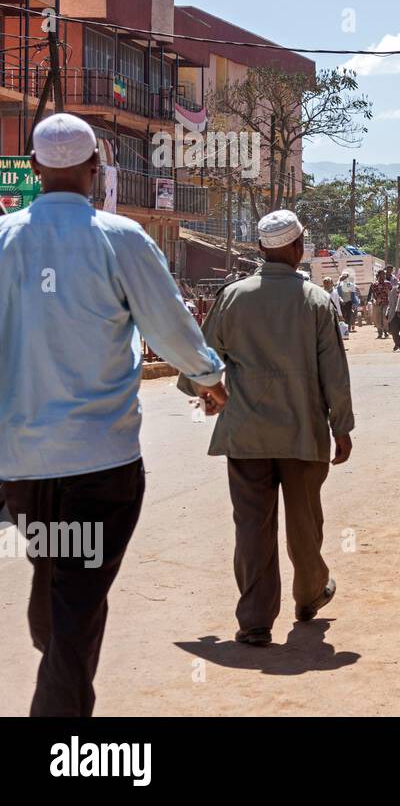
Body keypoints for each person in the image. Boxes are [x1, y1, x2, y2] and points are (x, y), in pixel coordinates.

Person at [0, 113, 229, 716]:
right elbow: (170, 324)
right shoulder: (120, 238)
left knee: (65, 578)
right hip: (101, 462)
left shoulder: (3, 239)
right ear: (95, 171)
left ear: (32, 170)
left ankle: (51, 635)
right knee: (77, 597)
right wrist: (208, 378)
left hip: (21, 467)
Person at [178, 211, 354, 648]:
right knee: (305, 523)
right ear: (297, 249)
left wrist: (207, 393)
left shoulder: (233, 296)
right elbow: (334, 371)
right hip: (303, 433)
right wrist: (342, 426)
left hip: (246, 434)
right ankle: (310, 595)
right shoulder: (316, 300)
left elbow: (202, 358)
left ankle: (255, 621)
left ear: (260, 249)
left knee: (252, 528)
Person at [368, 267, 393, 340]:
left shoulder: (388, 283)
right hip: (377, 303)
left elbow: (391, 292)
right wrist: (374, 300)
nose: (384, 276)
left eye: (384, 274)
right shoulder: (374, 284)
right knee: (378, 318)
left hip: (386, 302)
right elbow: (373, 293)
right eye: (382, 274)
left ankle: (385, 332)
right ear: (378, 275)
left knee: (385, 316)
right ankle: (379, 333)